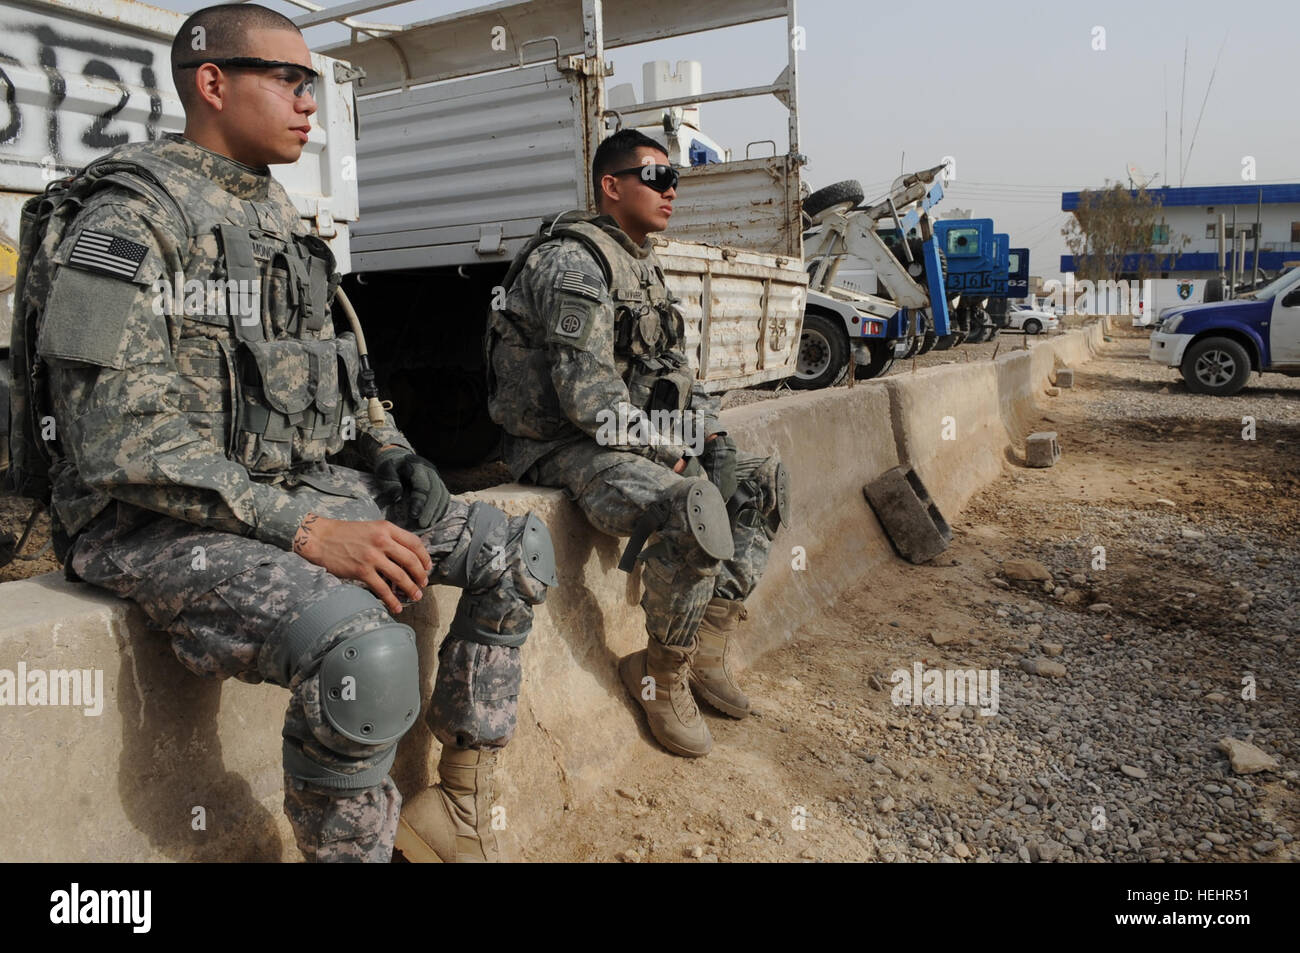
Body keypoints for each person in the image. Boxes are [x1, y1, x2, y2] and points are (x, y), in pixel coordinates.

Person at [33, 3, 555, 863]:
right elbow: (116, 444)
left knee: (513, 550)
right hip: (154, 519)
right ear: (212, 82)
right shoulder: (128, 222)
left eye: (311, 82)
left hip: (291, 486)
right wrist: (309, 532)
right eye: (290, 78)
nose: (310, 101)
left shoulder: (275, 219)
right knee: (364, 651)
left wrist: (392, 452)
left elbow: (343, 375)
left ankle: (457, 804)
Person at [486, 128, 788, 758]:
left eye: (673, 177)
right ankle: (660, 676)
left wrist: (707, 433)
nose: (671, 188)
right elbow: (588, 401)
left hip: (623, 438)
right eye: (655, 177)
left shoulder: (640, 263)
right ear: (611, 185)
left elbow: (675, 372)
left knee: (757, 479)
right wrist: (670, 452)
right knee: (693, 505)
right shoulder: (573, 262)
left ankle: (704, 649)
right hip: (563, 446)